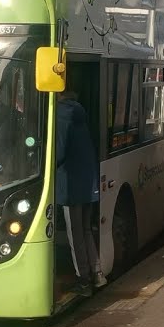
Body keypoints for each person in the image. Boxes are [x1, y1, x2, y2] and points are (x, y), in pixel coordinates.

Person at [56, 89, 105, 295]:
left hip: (70, 186)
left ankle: (83, 280)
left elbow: (58, 153)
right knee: (85, 230)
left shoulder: (60, 116)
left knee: (74, 234)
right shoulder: (80, 114)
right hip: (88, 184)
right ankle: (98, 273)